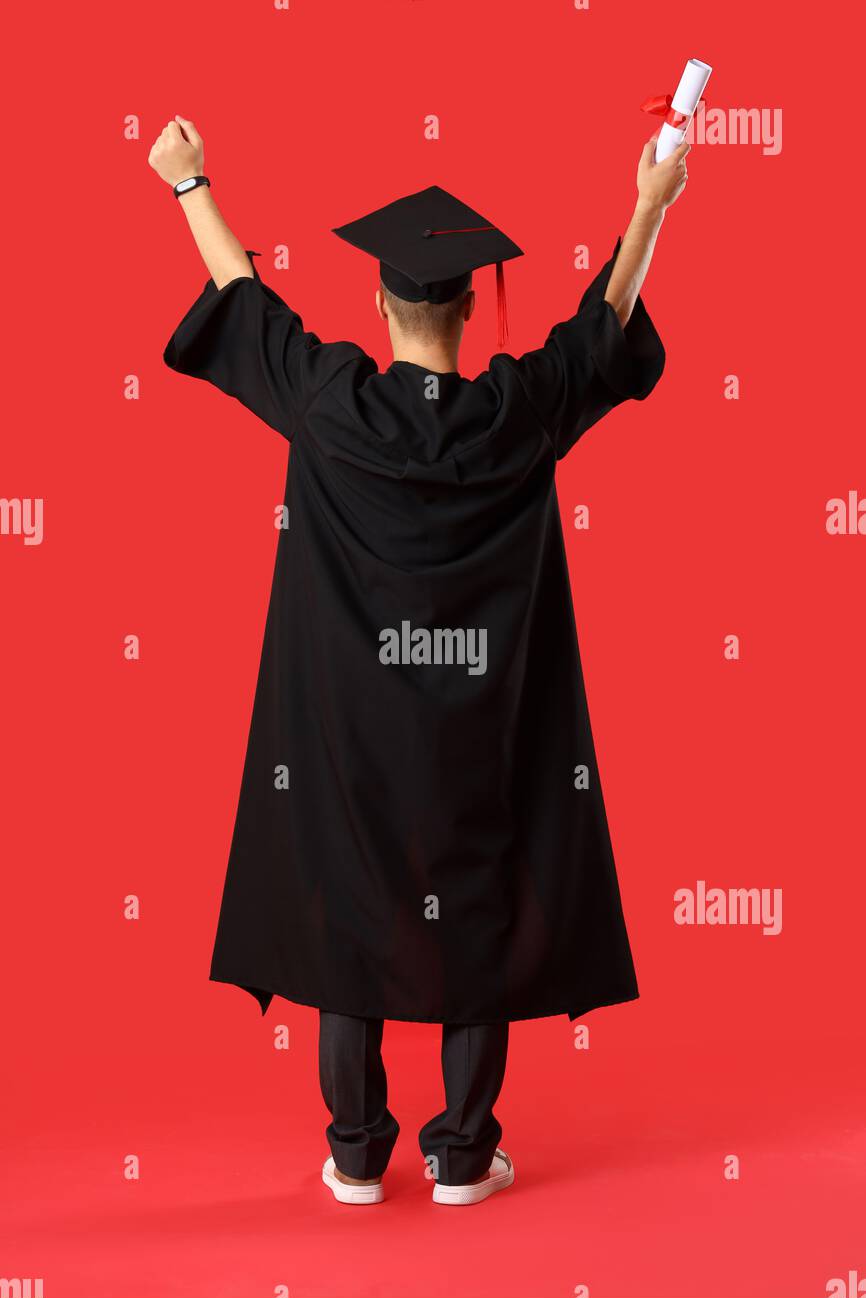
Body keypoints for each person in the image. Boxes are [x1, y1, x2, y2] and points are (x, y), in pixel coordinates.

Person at [149, 116, 688, 1207]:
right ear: (466, 307)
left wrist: (188, 182)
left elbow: (245, 305)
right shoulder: (513, 412)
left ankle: (354, 1151)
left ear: (383, 307)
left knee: (351, 903)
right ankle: (458, 1153)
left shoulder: (329, 402)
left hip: (346, 738)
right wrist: (649, 206)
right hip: (478, 735)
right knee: (474, 900)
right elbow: (604, 324)